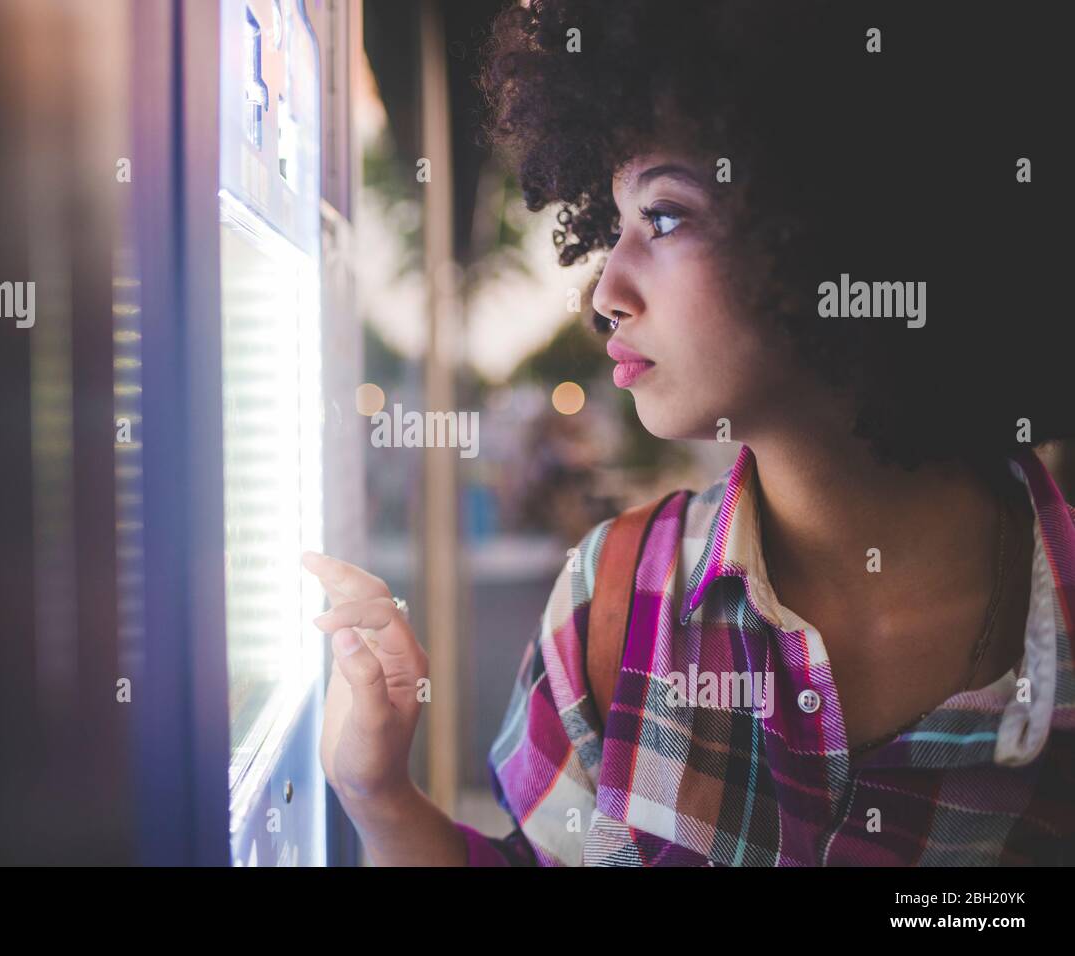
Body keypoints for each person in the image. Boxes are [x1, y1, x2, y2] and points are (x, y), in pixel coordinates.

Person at [300, 0, 1075, 865]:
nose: (604, 292)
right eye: (613, 222)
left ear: (843, 212)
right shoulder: (610, 598)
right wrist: (376, 793)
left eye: (664, 217)